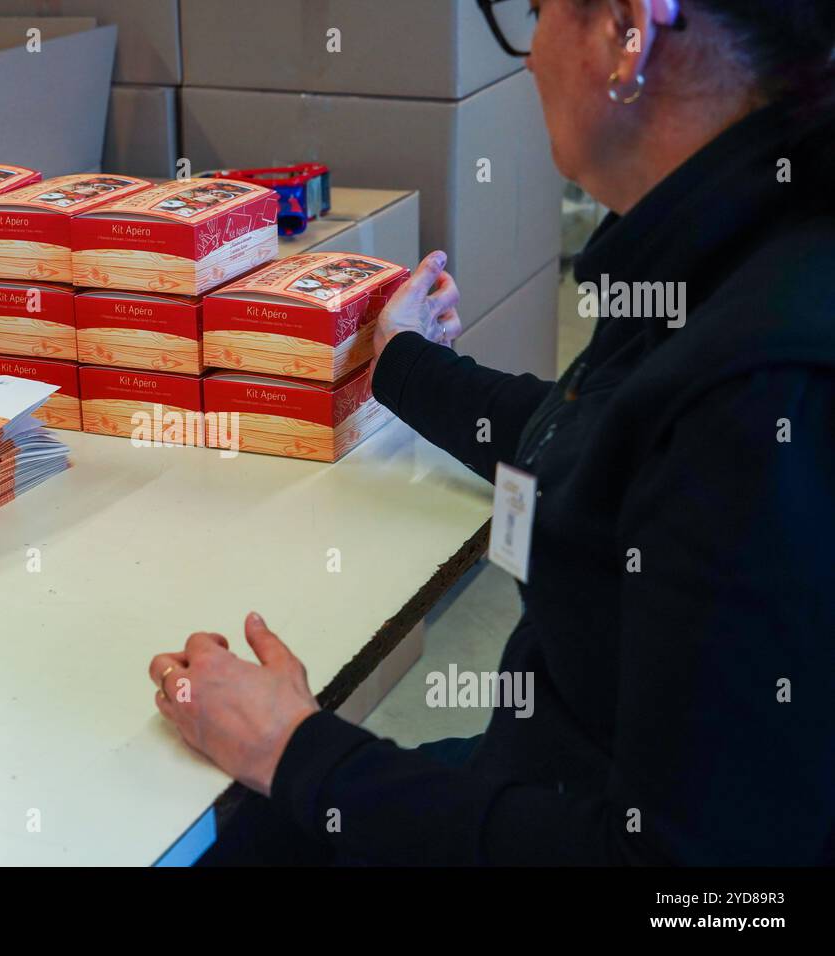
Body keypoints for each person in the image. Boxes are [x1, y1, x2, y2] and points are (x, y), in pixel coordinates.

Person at [148, 0, 835, 865]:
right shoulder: (725, 249)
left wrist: (293, 749)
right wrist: (397, 359)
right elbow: (594, 443)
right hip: (545, 773)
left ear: (628, 31)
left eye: (539, 12)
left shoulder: (768, 386)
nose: (529, 56)